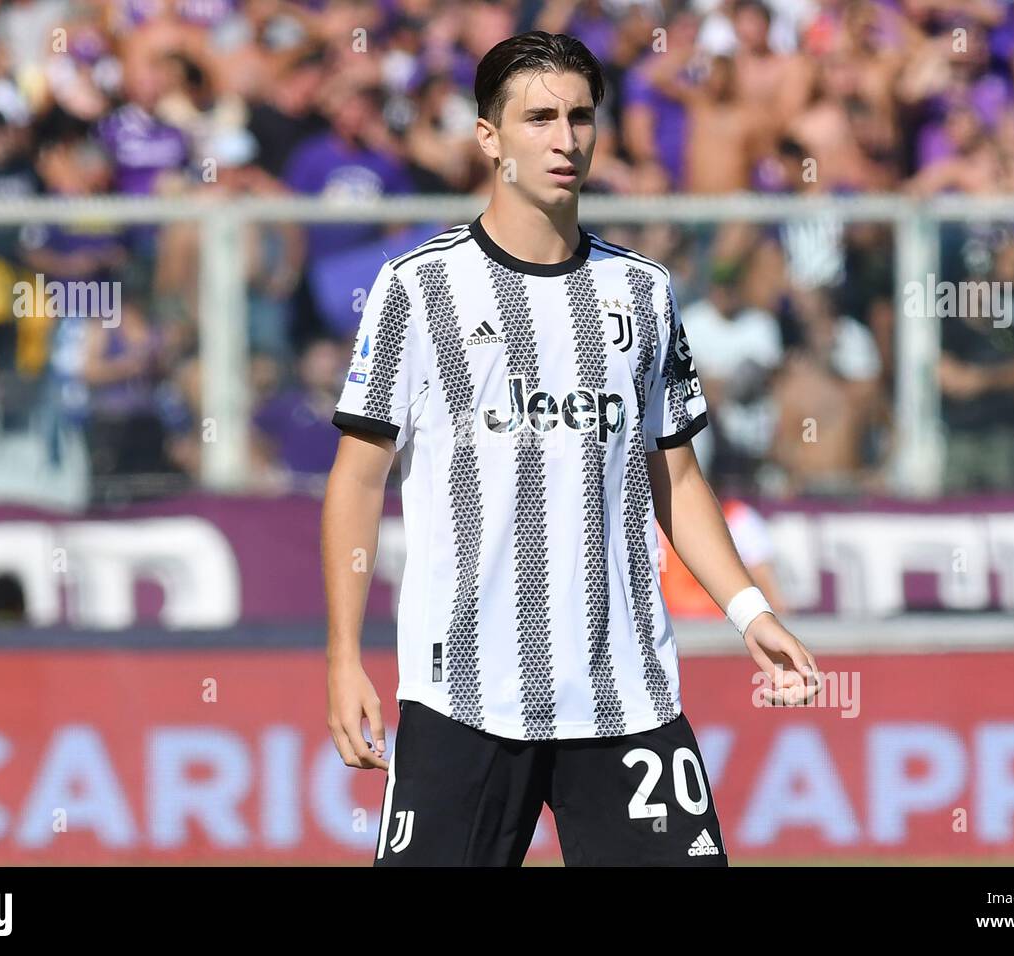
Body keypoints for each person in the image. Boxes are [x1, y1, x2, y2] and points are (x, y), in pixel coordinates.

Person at [321, 31, 820, 868]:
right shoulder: (419, 288)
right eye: (539, 117)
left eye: (581, 118)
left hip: (626, 691)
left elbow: (677, 475)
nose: (564, 140)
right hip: (462, 693)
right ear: (489, 137)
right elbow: (357, 481)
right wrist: (343, 657)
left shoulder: (642, 290)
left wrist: (748, 610)